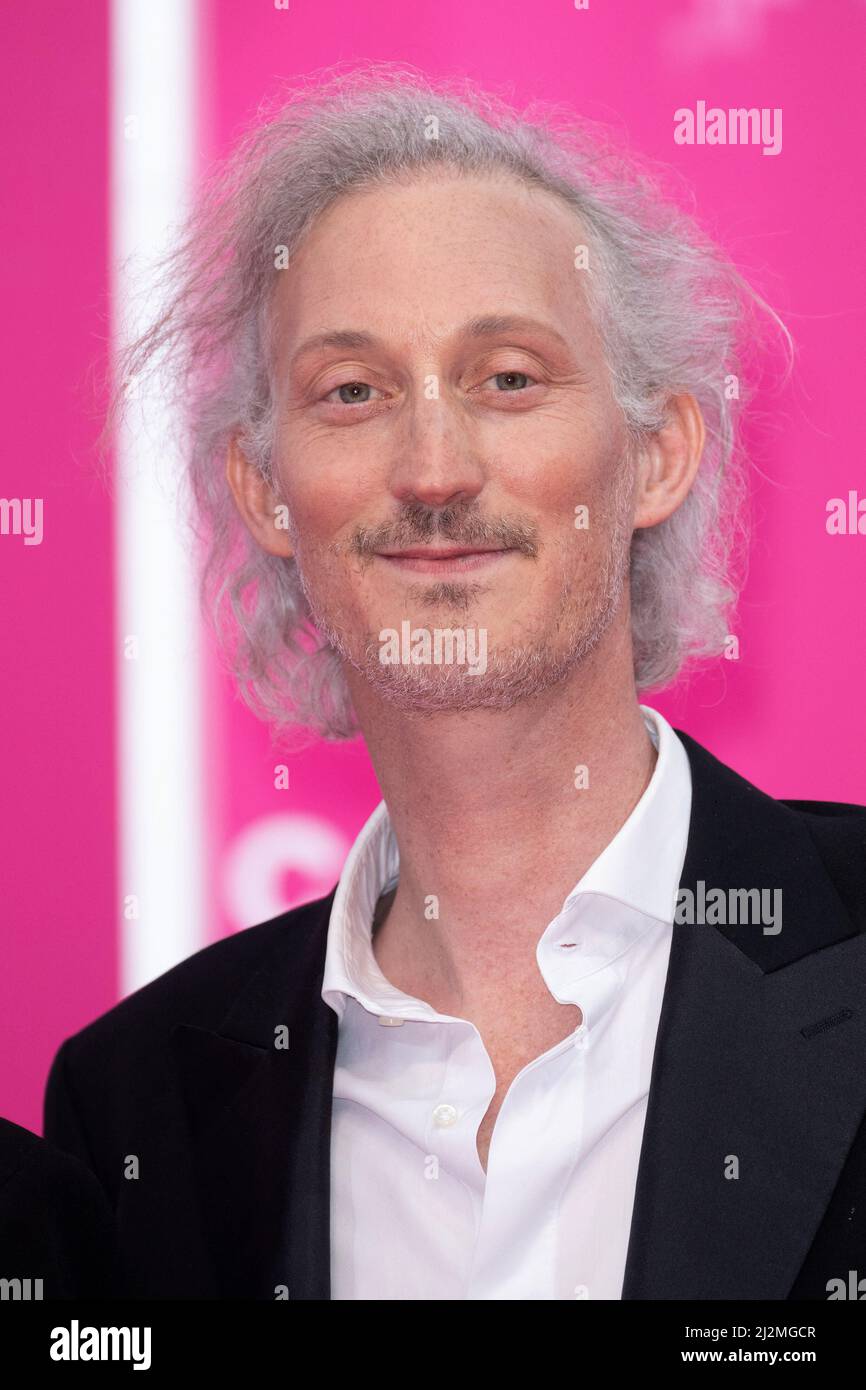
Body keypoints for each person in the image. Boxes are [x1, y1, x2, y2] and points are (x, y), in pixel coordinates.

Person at [45, 68, 866, 1300]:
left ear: (655, 454)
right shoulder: (139, 1104)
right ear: (266, 490)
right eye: (353, 393)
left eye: (507, 377)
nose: (432, 468)